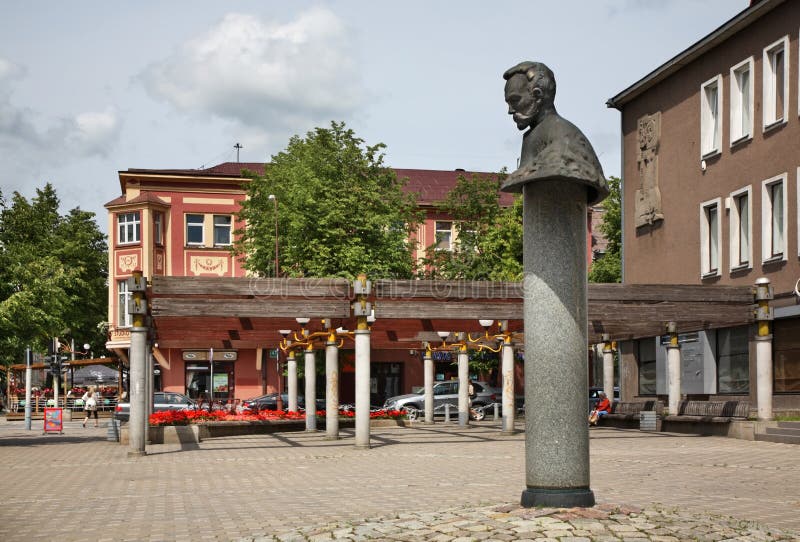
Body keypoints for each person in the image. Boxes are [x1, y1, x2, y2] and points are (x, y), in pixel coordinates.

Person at [501, 61, 608, 205]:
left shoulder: (564, 134)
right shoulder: (529, 137)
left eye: (515, 100)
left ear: (537, 96)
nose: (510, 110)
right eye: (508, 103)